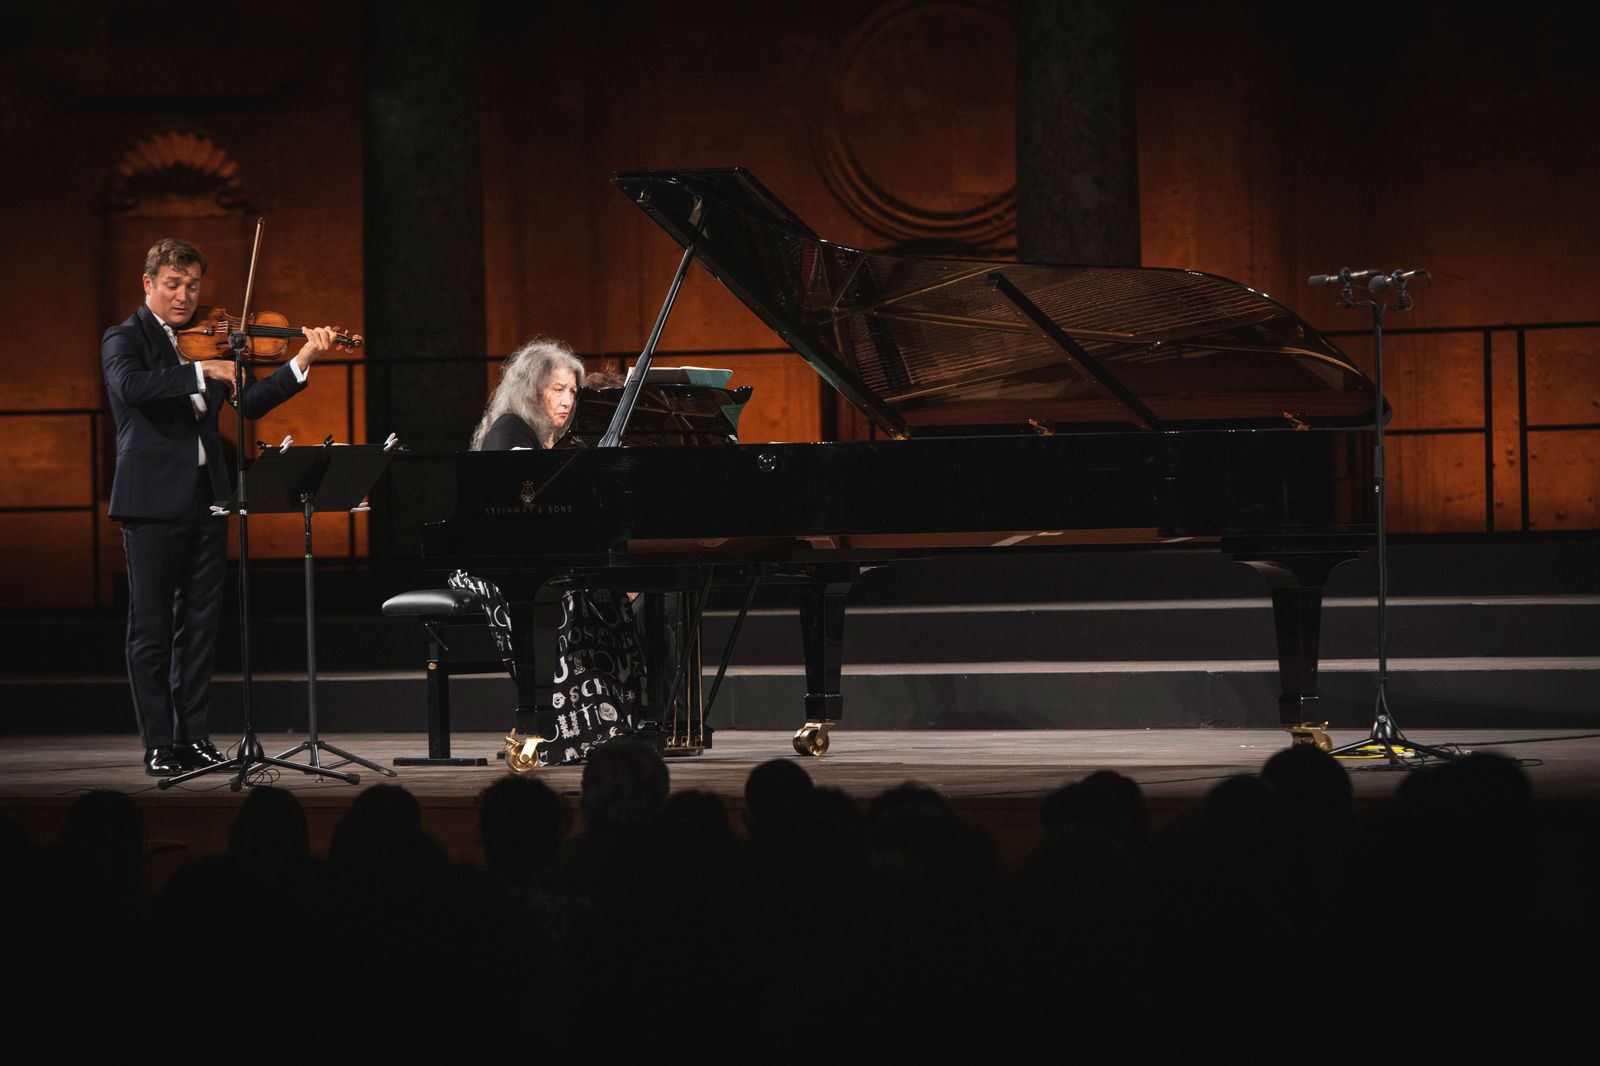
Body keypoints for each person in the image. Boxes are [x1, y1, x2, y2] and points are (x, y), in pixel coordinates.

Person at [102, 238, 350, 775]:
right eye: (173, 284)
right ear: (148, 285)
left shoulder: (212, 341)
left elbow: (250, 402)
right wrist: (202, 371)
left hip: (208, 498)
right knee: (149, 629)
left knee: (200, 624)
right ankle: (159, 744)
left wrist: (302, 359)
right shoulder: (124, 338)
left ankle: (193, 737)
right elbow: (131, 386)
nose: (184, 296)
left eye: (192, 286)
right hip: (149, 502)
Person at [454, 339, 648, 770]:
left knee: (604, 597)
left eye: (572, 392)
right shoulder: (509, 431)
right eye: (556, 390)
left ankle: (617, 725)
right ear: (531, 389)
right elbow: (515, 522)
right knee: (575, 600)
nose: (566, 401)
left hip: (533, 559)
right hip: (493, 566)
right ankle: (557, 728)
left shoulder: (546, 438)